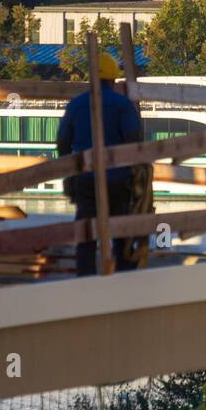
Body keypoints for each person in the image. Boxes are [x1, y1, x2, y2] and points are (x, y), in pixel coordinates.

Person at [56, 52, 144, 276]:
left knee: (86, 233)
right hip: (118, 180)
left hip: (85, 180)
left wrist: (70, 175)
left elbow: (63, 142)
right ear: (114, 79)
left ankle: (86, 279)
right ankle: (124, 275)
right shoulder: (123, 105)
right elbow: (135, 140)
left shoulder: (76, 104)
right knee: (121, 230)